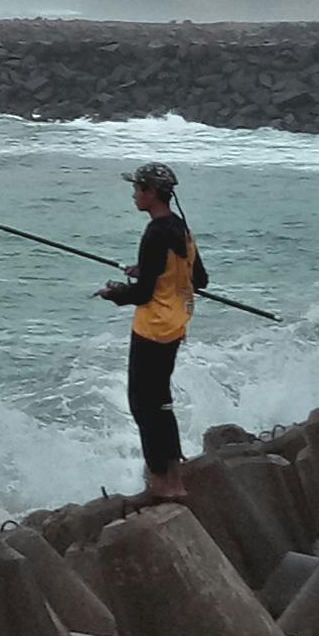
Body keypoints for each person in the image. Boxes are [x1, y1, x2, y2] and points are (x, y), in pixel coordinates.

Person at [103, 158, 208, 485]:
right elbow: (200, 279)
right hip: (175, 326)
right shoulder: (180, 228)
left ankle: (161, 483)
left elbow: (143, 294)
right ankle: (174, 477)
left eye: (137, 188)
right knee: (161, 403)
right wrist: (148, 271)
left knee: (142, 405)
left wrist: (115, 293)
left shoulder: (154, 233)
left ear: (150, 192)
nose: (134, 194)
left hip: (151, 328)